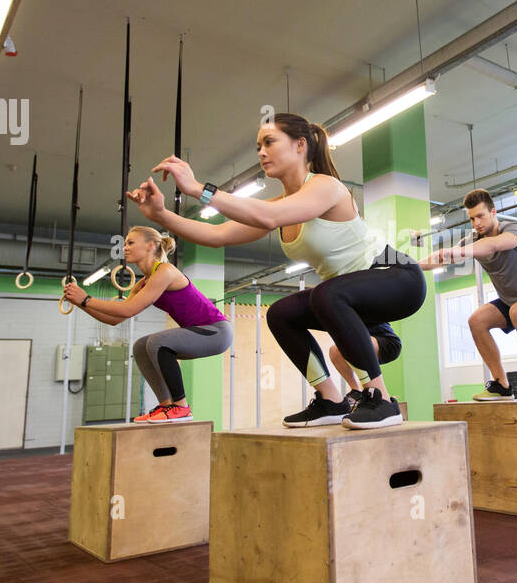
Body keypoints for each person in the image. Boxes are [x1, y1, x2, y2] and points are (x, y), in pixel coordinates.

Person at [129, 112, 426, 429]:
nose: (260, 152)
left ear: (300, 145)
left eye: (269, 142)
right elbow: (216, 236)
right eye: (258, 145)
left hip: (398, 277)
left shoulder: (326, 187)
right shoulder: (280, 204)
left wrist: (197, 189)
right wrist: (160, 215)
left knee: (326, 294)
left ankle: (380, 398)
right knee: (282, 312)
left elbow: (268, 216)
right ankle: (330, 400)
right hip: (353, 298)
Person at [62, 225, 234, 422]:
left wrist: (86, 299)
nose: (125, 247)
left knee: (156, 342)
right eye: (125, 243)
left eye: (130, 243)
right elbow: (115, 319)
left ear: (150, 245)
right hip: (200, 331)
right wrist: (80, 303)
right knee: (141, 346)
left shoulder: (165, 271)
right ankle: (166, 405)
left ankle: (181, 407)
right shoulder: (143, 283)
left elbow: (128, 309)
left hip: (216, 332)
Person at [419, 189, 517, 401]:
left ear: (493, 212)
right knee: (476, 321)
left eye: (481, 216)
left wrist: (457, 252)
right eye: (472, 219)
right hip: (510, 301)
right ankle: (501, 385)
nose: (477, 223)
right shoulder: (473, 239)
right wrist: (412, 267)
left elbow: (492, 245)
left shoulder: (513, 229)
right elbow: (442, 259)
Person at [328, 323, 402, 407]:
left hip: (388, 341)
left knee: (353, 343)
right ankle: (356, 392)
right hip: (363, 342)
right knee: (334, 351)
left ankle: (383, 399)